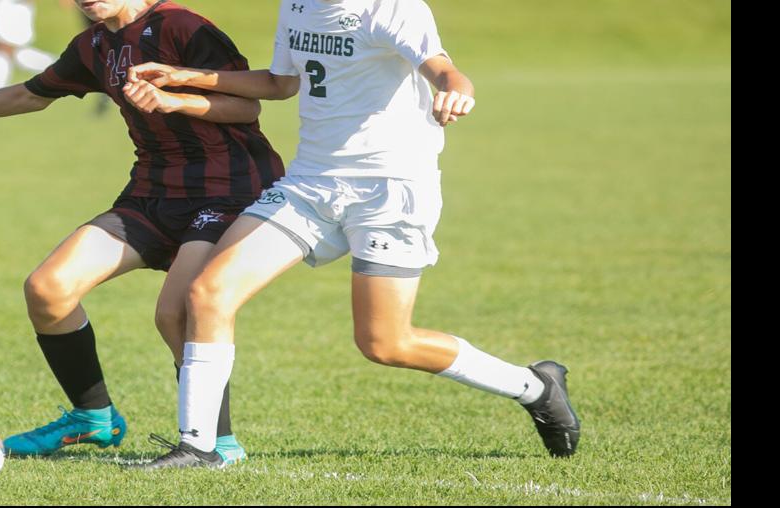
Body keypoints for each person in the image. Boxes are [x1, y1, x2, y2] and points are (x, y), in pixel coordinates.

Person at [127, 0, 579, 470]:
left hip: (390, 188)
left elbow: (446, 72)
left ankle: (535, 386)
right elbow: (281, 83)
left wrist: (455, 93)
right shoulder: (297, 6)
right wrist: (183, 75)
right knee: (207, 293)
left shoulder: (393, 8)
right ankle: (199, 447)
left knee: (385, 342)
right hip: (310, 184)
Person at [0, 0, 286, 464]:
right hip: (151, 192)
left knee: (177, 312)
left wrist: (173, 99)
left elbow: (247, 106)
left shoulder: (183, 27)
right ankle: (93, 418)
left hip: (226, 191)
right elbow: (32, 93)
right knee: (48, 289)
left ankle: (217, 444)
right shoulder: (95, 45)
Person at [0, 1, 62, 95]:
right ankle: (66, 70)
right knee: (0, 48)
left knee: (2, 47)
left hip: (13, 5)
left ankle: (65, 70)